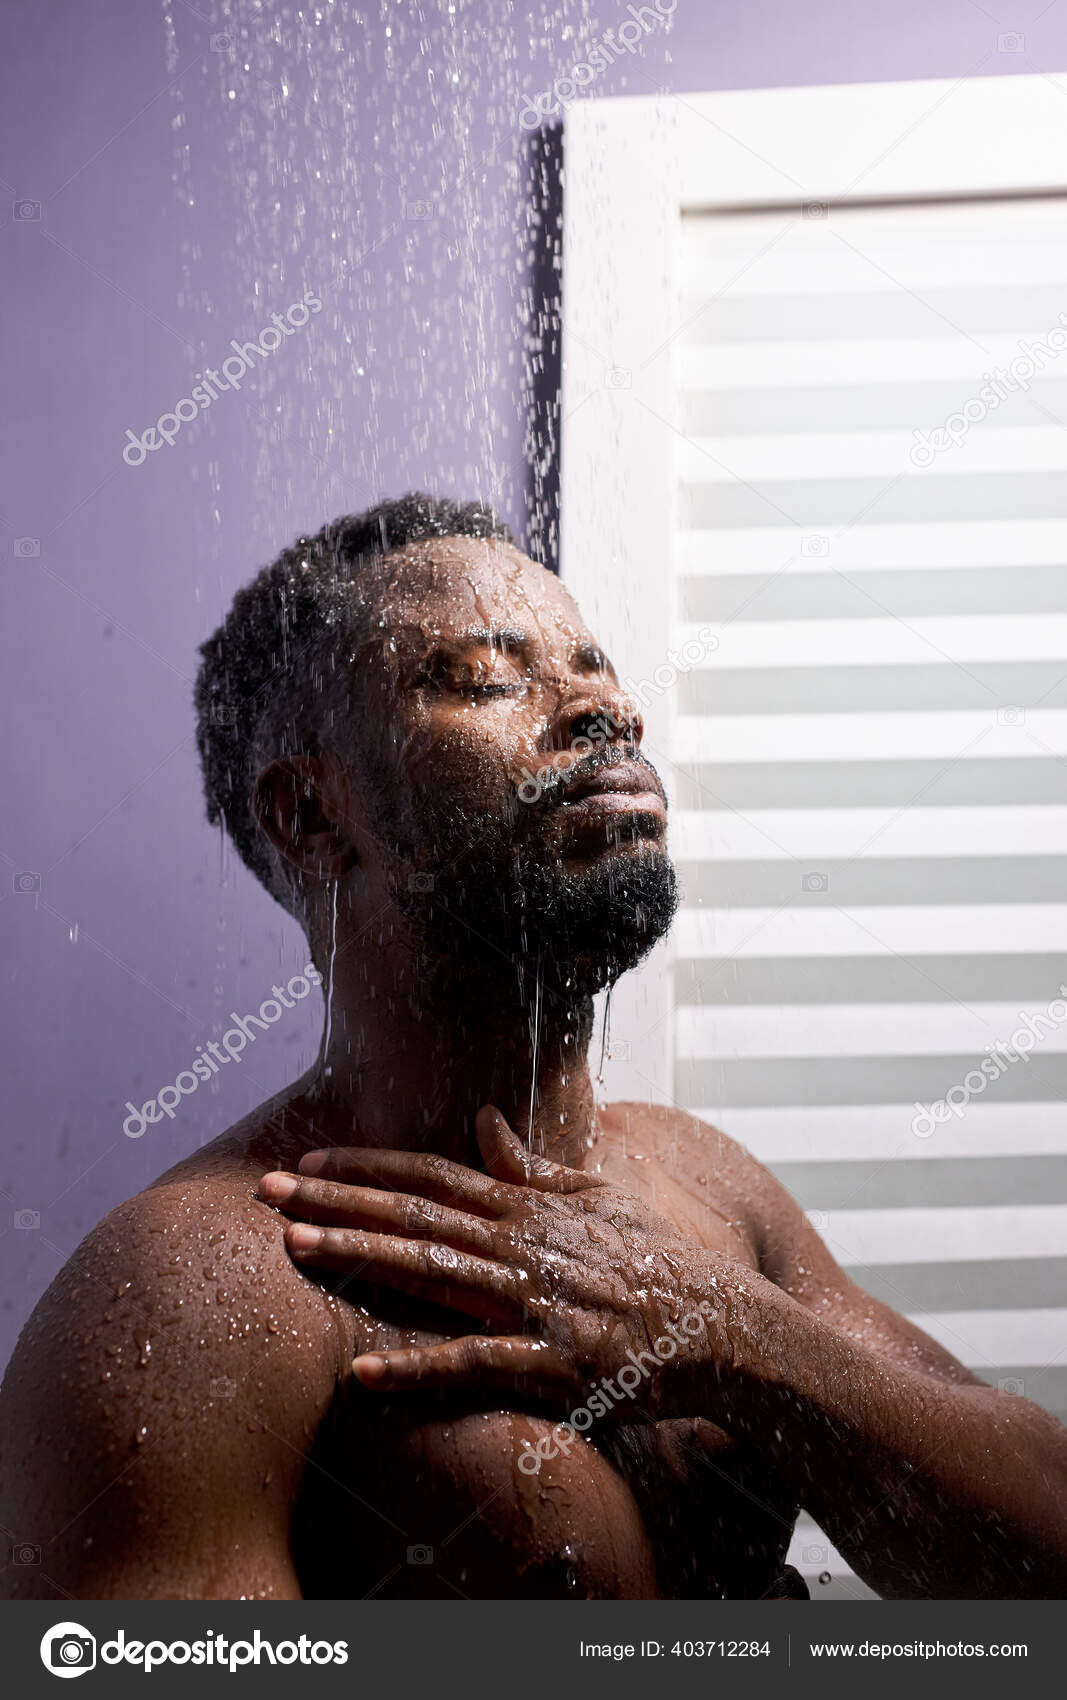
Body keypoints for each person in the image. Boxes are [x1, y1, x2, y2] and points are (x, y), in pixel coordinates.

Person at [2, 494, 1065, 1601]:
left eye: (594, 665)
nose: (604, 710)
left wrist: (739, 1337)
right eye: (488, 675)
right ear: (311, 811)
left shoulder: (705, 1188)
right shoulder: (202, 1287)